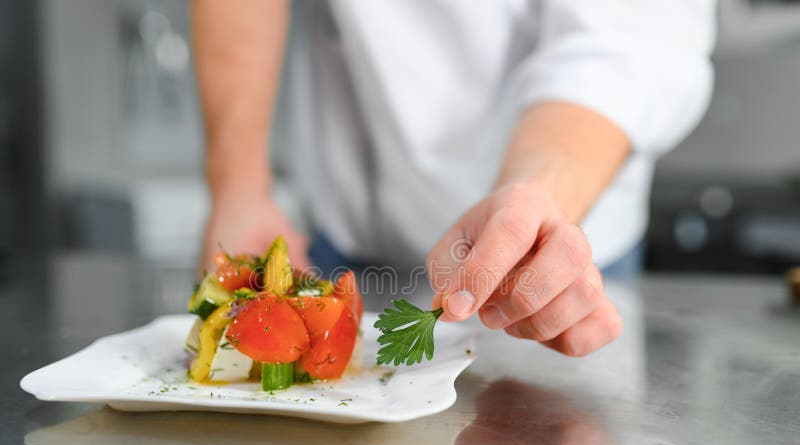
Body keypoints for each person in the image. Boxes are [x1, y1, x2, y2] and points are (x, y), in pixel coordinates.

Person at [192, 0, 715, 357]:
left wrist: (530, 207)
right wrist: (239, 185)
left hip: (556, 257)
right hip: (343, 242)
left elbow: (622, 47)